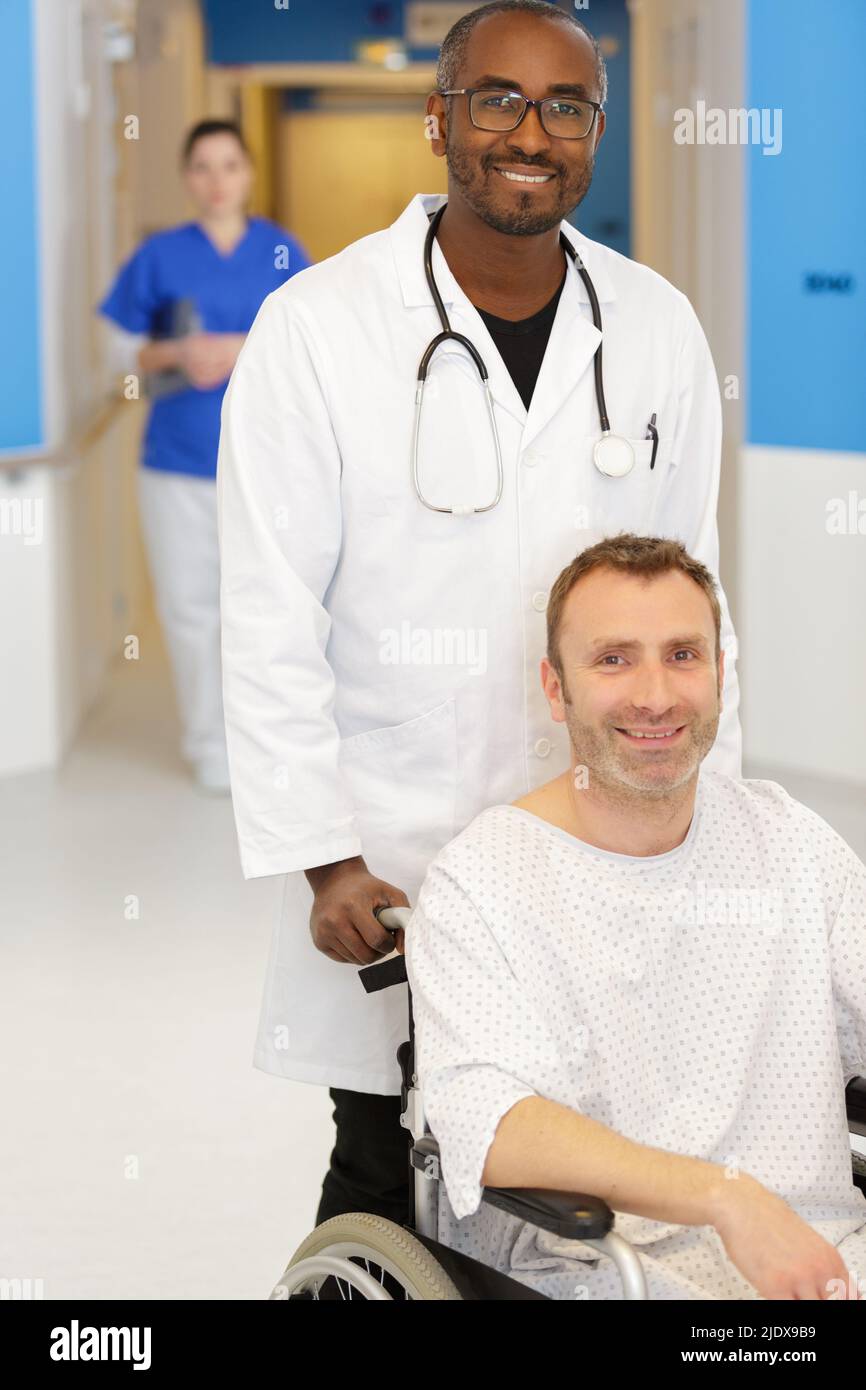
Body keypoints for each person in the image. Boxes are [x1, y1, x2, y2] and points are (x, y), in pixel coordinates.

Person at [216, 1, 742, 1229]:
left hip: (605, 834)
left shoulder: (655, 326)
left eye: (564, 106)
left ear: (593, 135)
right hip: (403, 851)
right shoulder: (318, 330)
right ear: (438, 116)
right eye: (497, 98)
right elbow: (269, 614)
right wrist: (326, 853)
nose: (529, 131)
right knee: (396, 1167)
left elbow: (696, 601)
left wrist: (707, 828)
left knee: (581, 1162)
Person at [405, 534, 866, 1301]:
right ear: (556, 690)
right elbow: (493, 1126)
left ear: (721, 676)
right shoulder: (481, 881)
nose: (656, 696)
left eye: (684, 655)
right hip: (604, 1272)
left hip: (826, 1261)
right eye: (614, 659)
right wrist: (727, 1196)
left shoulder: (788, 839)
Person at [98, 119, 311, 791]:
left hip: (264, 464)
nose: (216, 181)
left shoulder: (282, 252)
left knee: (266, 608)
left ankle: (266, 742)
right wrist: (174, 353)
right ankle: (209, 745)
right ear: (187, 178)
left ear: (248, 175)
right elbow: (112, 351)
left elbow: (312, 346)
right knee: (191, 610)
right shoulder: (160, 255)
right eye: (202, 167)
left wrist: (242, 345)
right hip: (175, 460)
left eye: (229, 165)